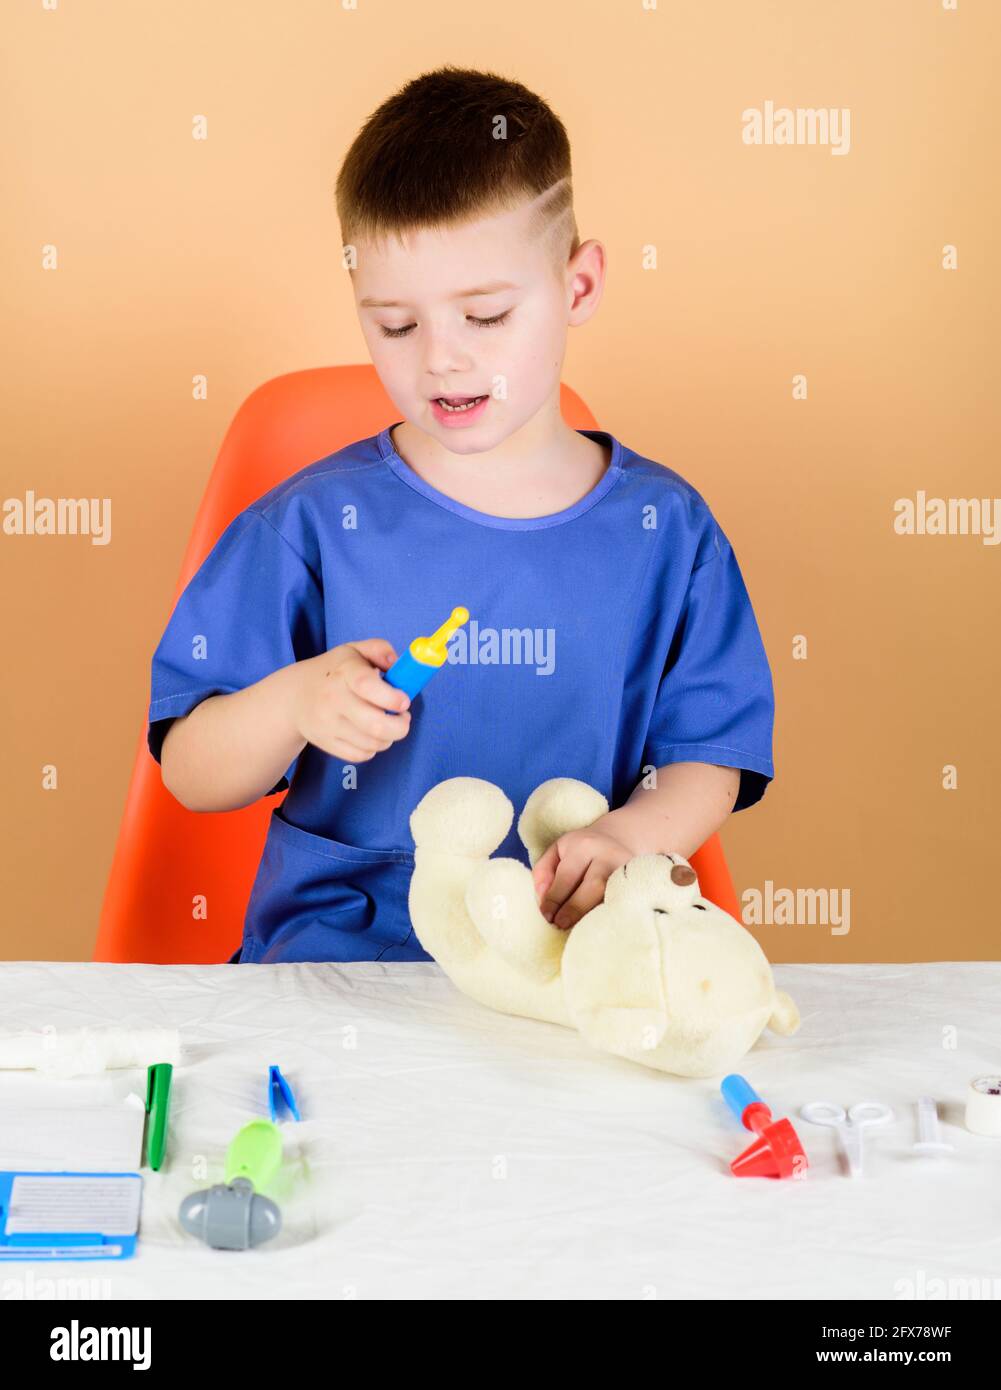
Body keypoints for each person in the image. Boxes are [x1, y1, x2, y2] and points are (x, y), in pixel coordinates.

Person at [147, 65, 775, 965]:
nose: (441, 360)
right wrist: (294, 702)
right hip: (342, 971)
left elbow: (706, 756)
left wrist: (630, 839)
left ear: (578, 287)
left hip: (574, 965)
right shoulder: (311, 525)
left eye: (484, 315)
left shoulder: (666, 533)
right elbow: (191, 773)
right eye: (395, 327)